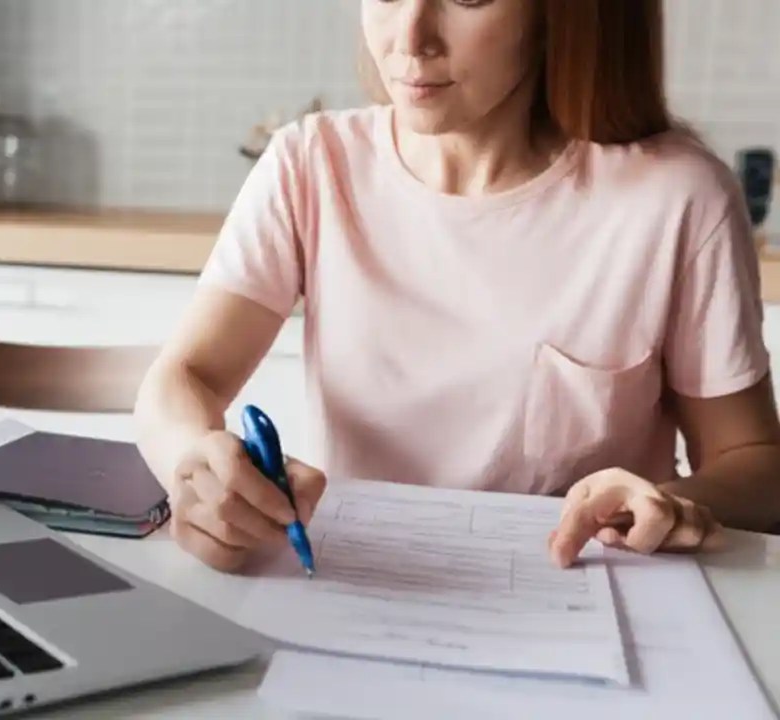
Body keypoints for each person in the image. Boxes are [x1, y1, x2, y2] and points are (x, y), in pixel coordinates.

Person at [133, 0, 780, 574]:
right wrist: (195, 467)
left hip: (589, 592)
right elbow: (182, 378)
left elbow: (755, 462)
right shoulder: (311, 163)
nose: (411, 37)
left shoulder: (677, 196)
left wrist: (676, 503)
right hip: (364, 587)